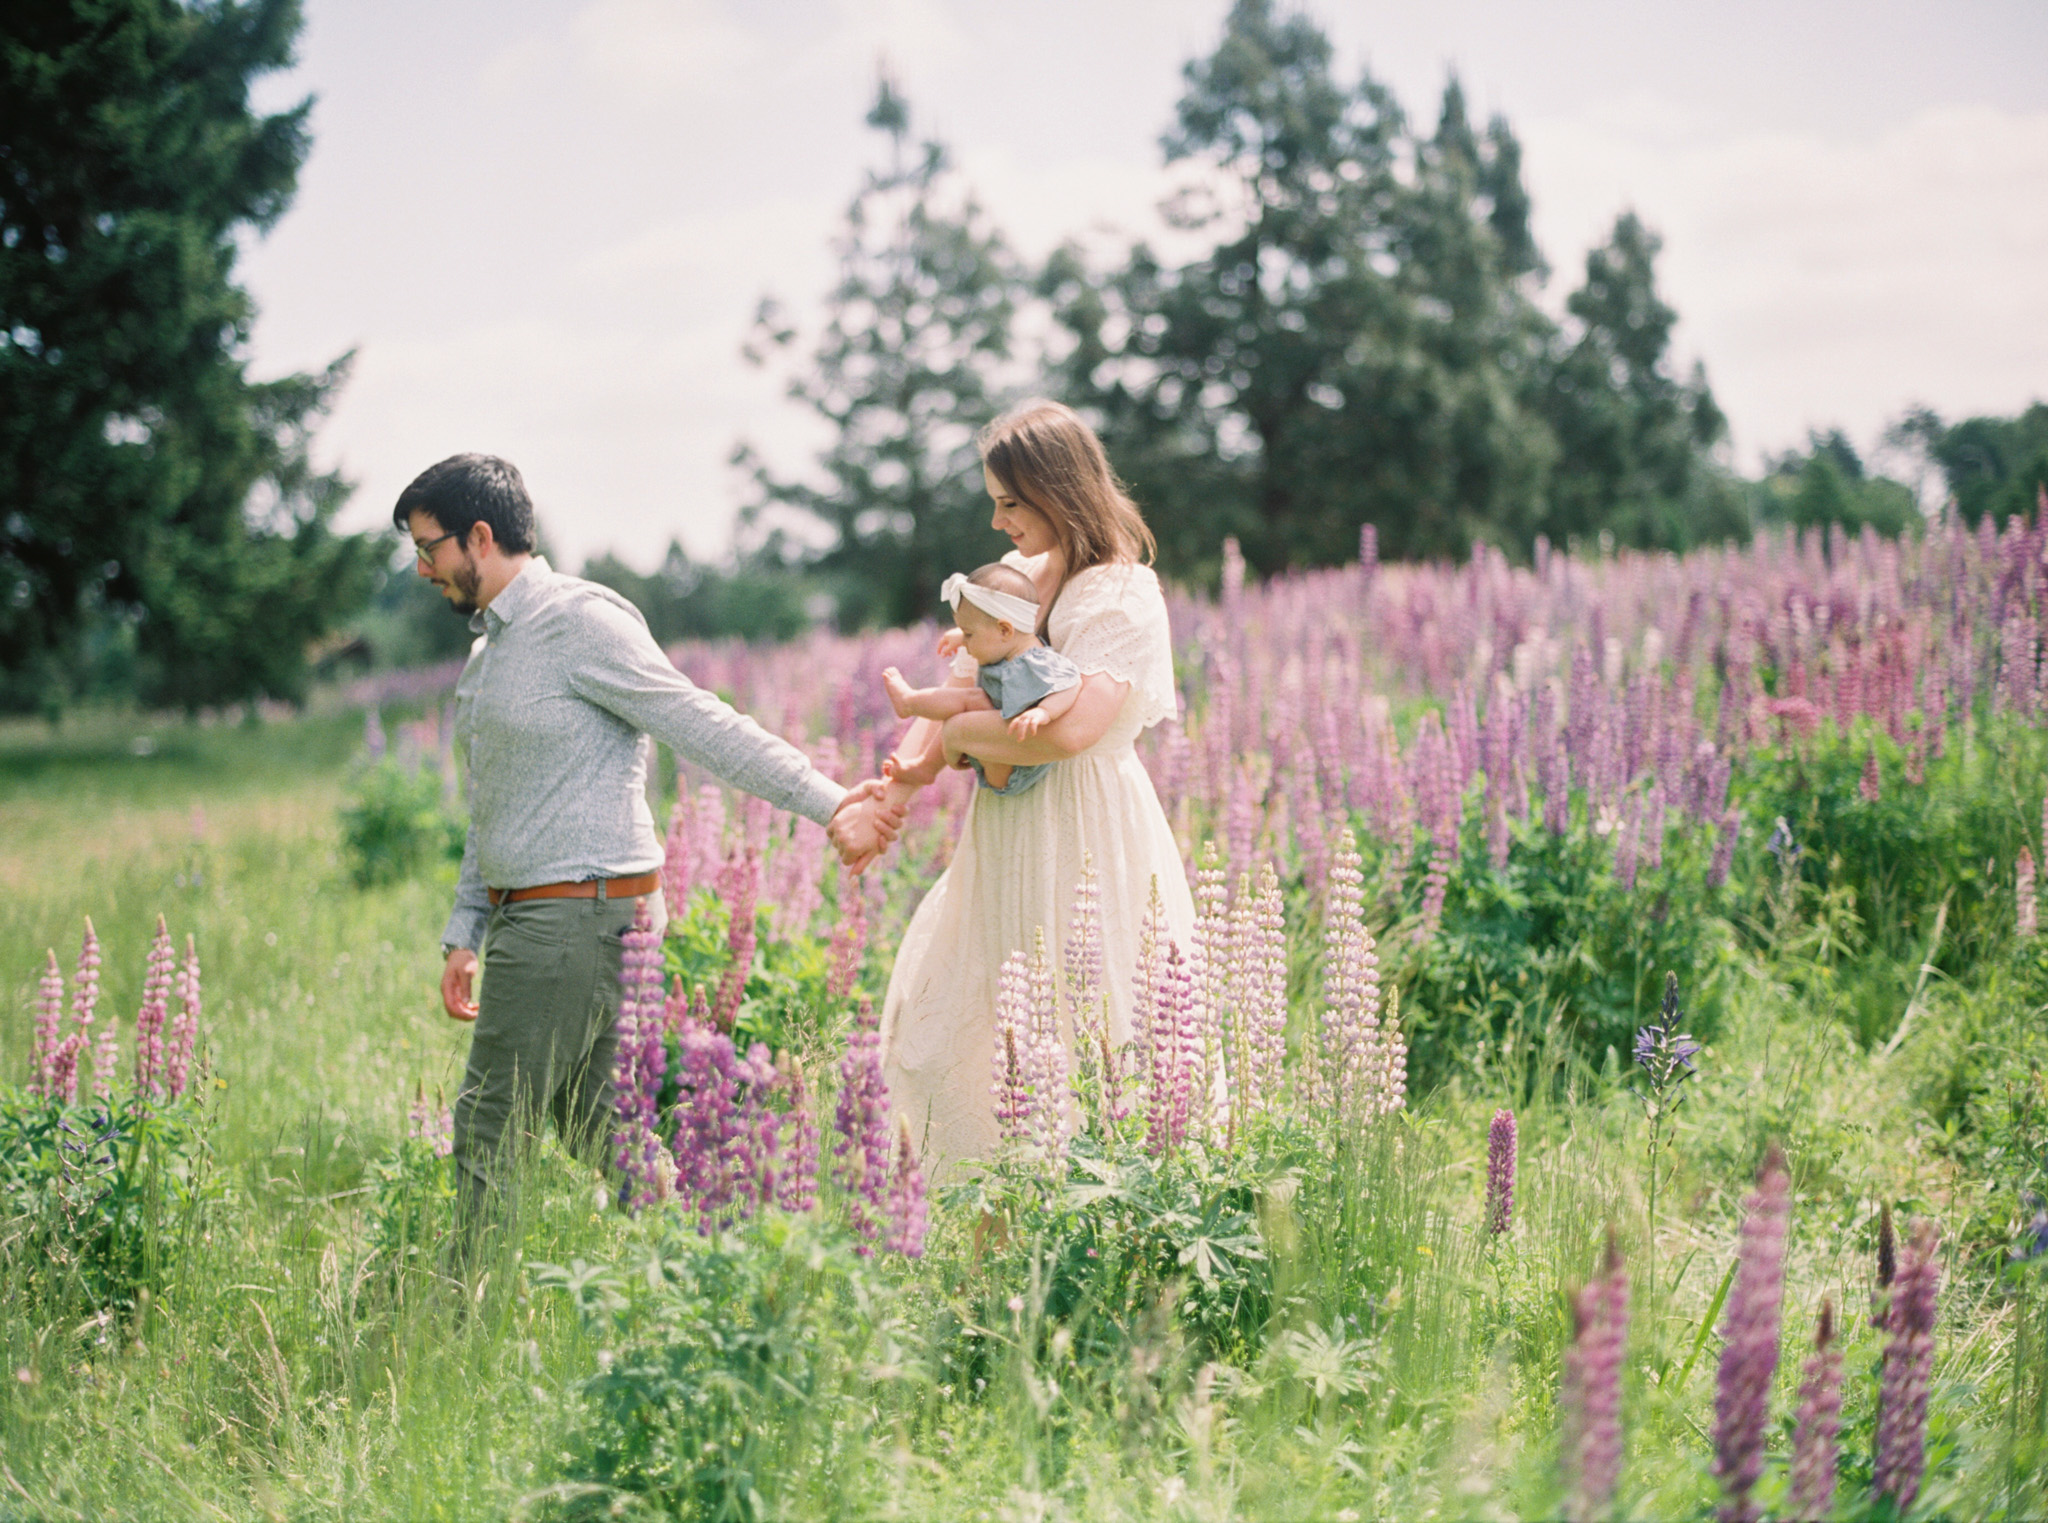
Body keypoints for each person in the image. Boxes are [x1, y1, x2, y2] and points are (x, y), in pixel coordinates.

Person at [396, 454, 899, 1249]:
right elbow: (492, 804)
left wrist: (831, 799)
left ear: (480, 537)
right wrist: (467, 928)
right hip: (541, 914)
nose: (423, 568)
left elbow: (700, 721)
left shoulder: (580, 620)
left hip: (579, 916)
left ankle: (464, 1315)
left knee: (490, 1125)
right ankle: (709, 1259)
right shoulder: (489, 652)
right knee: (599, 1123)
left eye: (429, 548)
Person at [842, 400, 1196, 1169]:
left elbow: (1074, 729)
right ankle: (993, 1230)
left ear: (1057, 491)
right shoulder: (1020, 580)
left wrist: (969, 737)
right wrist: (891, 795)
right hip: (1007, 830)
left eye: (1010, 503)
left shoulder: (1122, 591)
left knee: (1093, 1019)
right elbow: (956, 689)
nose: (999, 522)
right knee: (973, 1031)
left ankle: (1106, 1231)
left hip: (1087, 827)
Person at [880, 561, 1083, 795]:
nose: (965, 643)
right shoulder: (1009, 644)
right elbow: (989, 630)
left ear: (1005, 630)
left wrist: (1044, 712)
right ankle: (925, 766)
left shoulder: (1037, 663)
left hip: (1013, 767)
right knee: (973, 701)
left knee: (973, 699)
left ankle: (910, 703)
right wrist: (963, 634)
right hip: (996, 751)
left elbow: (1070, 685)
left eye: (969, 634)